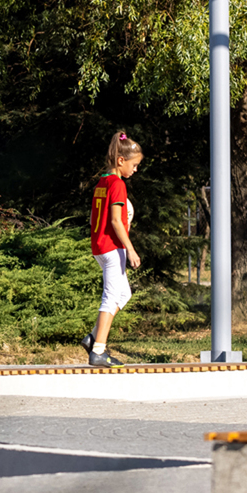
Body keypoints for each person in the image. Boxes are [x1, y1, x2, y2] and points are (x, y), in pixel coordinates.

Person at [85, 131, 142, 367]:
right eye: (134, 165)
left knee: (123, 294)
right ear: (121, 161)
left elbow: (92, 218)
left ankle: (92, 338)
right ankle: (98, 350)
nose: (135, 170)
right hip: (112, 247)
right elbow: (117, 221)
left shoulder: (102, 182)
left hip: (99, 246)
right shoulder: (118, 184)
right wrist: (130, 249)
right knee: (110, 297)